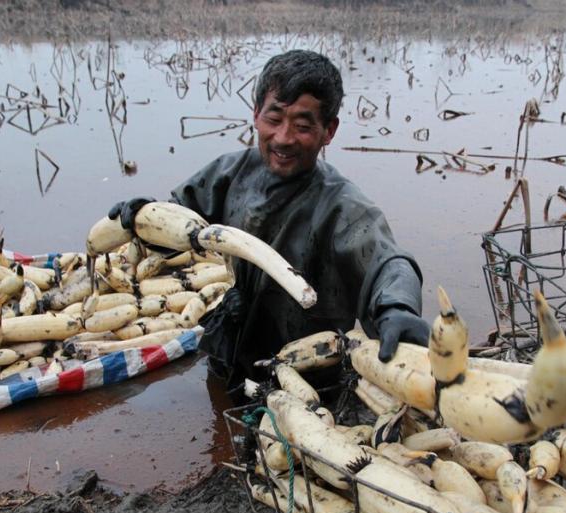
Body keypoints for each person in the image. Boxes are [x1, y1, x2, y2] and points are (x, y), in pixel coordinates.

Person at [111, 50, 428, 388]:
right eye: (274, 119)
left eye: (302, 126)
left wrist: (398, 309)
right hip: (231, 356)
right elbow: (176, 223)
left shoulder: (343, 208)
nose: (284, 138)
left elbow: (388, 263)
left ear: (329, 130)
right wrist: (145, 216)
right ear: (256, 114)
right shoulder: (229, 173)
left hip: (307, 380)